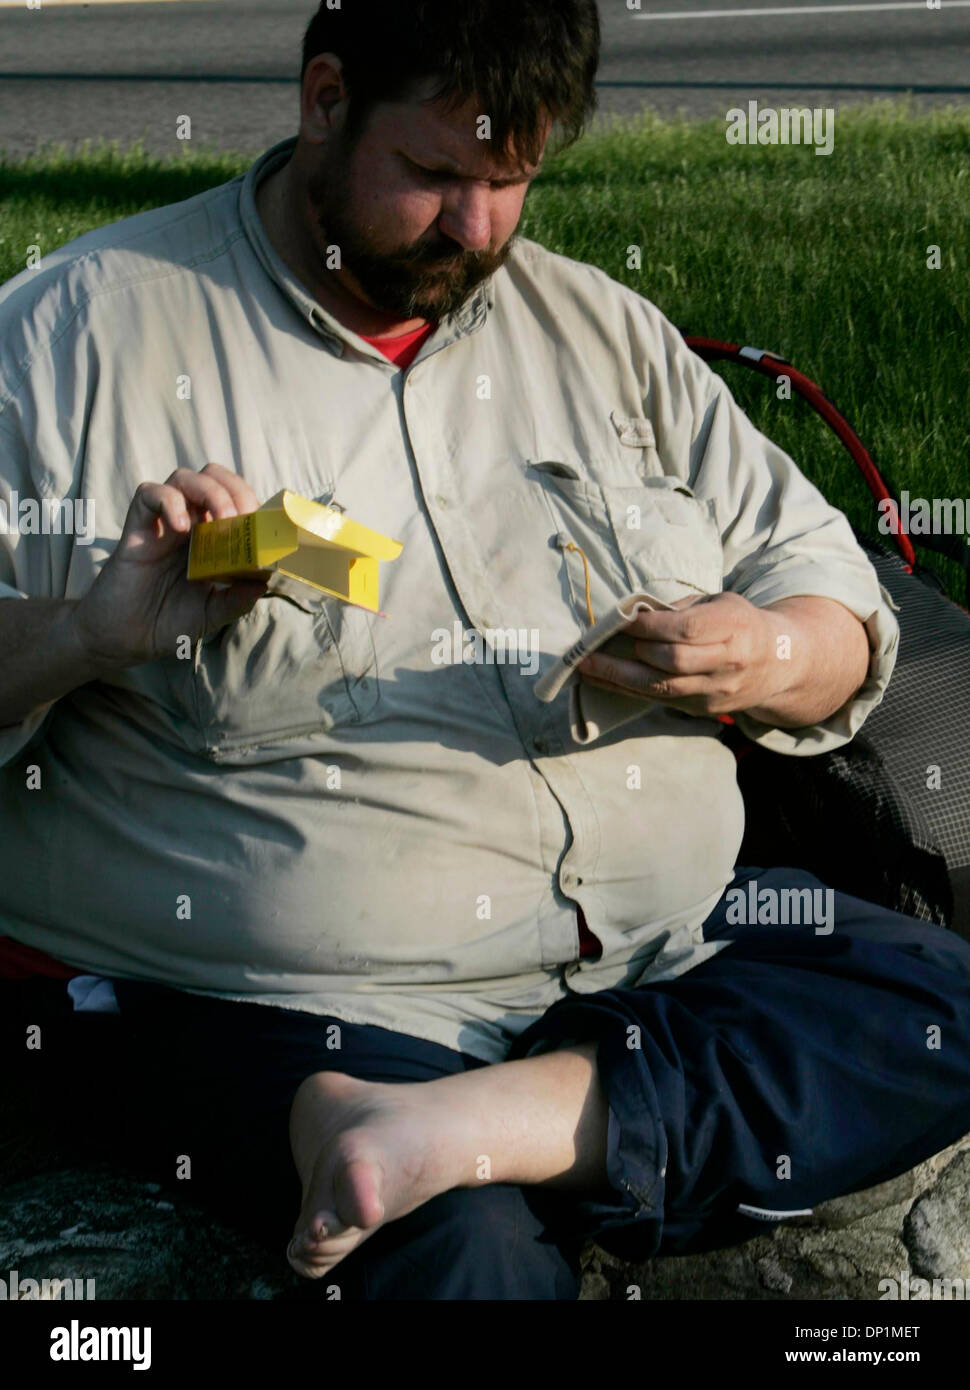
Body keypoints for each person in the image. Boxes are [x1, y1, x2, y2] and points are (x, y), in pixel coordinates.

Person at [3, 0, 970, 1302]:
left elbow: (836, 612)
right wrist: (85, 630)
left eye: (510, 181)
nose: (477, 230)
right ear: (325, 98)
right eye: (436, 176)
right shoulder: (76, 339)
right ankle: (462, 1128)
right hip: (304, 1010)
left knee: (935, 998)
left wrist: (761, 651)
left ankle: (492, 1123)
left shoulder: (599, 337)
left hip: (656, 948)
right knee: (469, 1267)